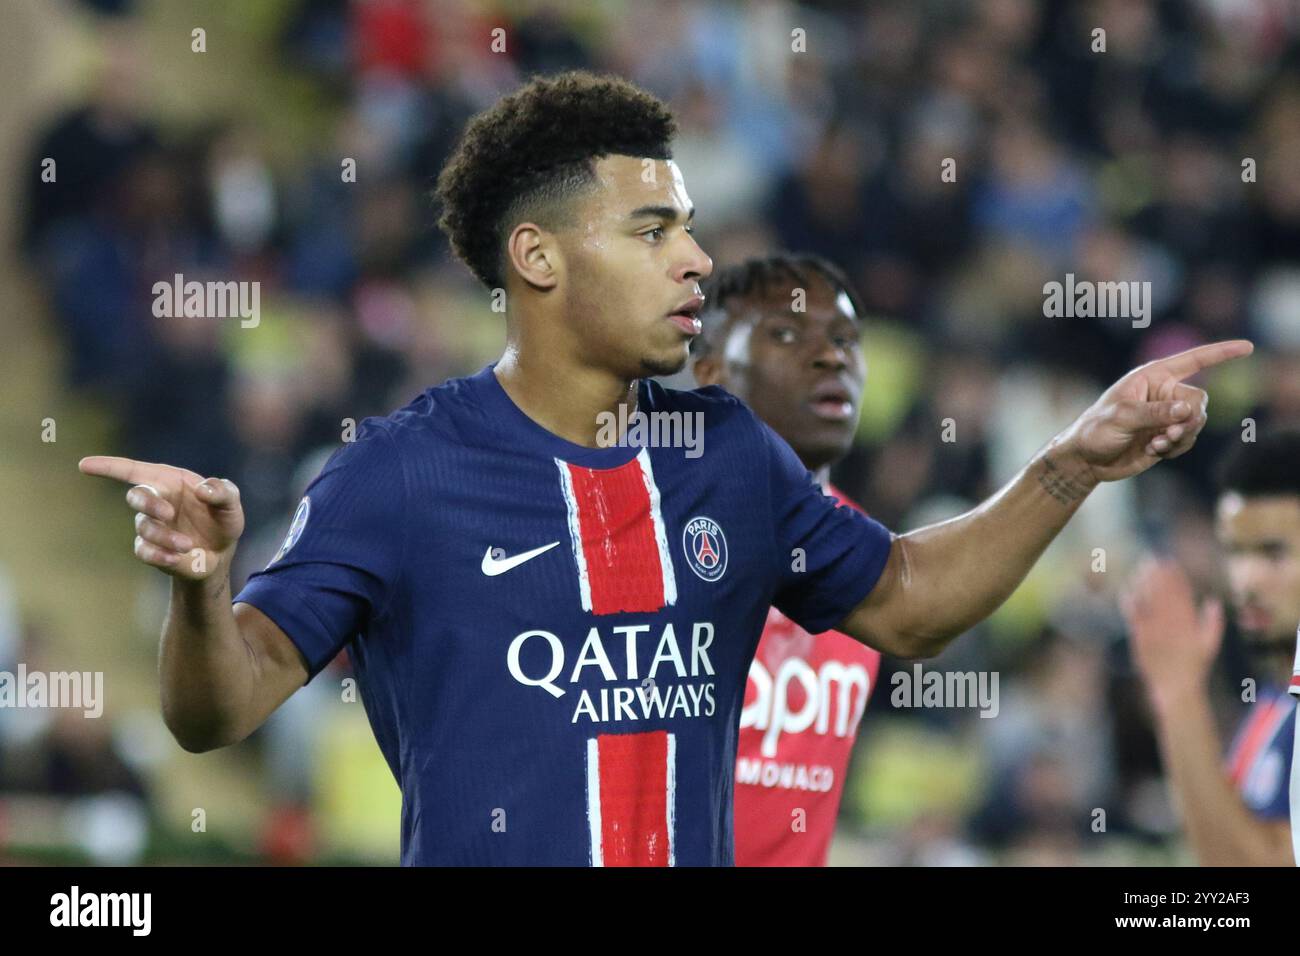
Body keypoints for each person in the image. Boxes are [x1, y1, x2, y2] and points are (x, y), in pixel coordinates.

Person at [80, 70, 1250, 865]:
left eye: (687, 225)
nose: (695, 258)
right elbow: (217, 710)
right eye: (652, 230)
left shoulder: (729, 453)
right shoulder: (396, 473)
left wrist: (1072, 462)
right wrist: (203, 588)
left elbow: (907, 603)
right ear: (537, 258)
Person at [690, 253, 879, 866]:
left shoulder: (871, 555)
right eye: (787, 334)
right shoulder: (648, 527)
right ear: (712, 372)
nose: (831, 358)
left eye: (845, 339)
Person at [1122, 429, 1300, 865]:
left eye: (1273, 553)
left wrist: (1179, 697)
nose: (1246, 581)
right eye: (1234, 552)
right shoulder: (1274, 696)